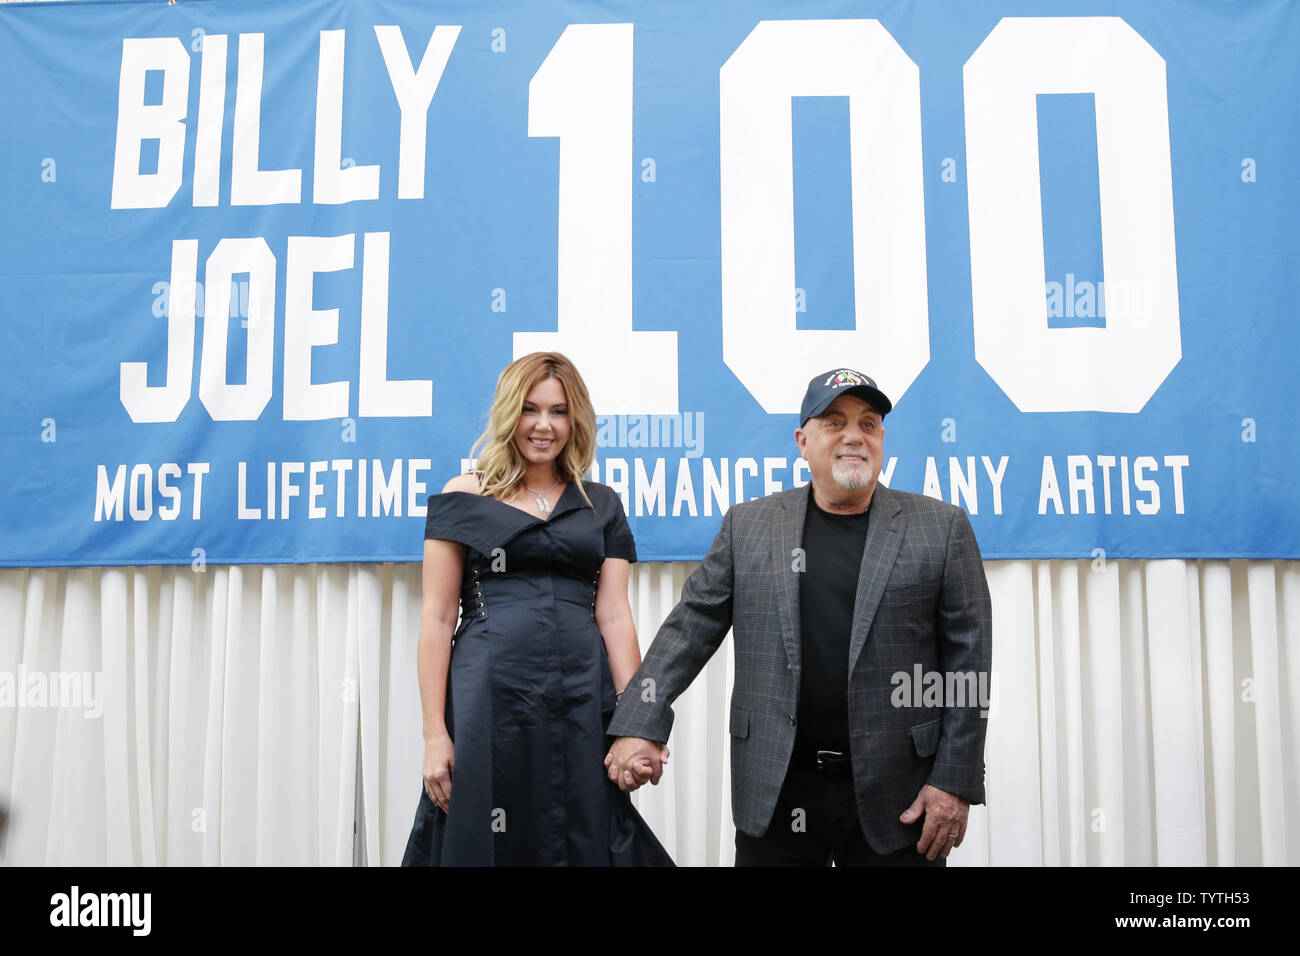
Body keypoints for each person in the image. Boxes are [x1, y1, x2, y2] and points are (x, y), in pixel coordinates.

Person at [605, 368, 992, 866]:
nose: (854, 435)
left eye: (869, 424)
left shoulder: (940, 528)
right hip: (775, 787)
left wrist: (954, 779)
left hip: (899, 795)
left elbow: (969, 666)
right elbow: (690, 627)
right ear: (802, 441)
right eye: (834, 422)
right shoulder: (749, 526)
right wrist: (641, 718)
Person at [402, 352, 673, 866]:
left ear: (576, 421)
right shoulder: (464, 495)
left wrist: (638, 717)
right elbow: (437, 619)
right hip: (489, 698)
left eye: (559, 411)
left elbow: (614, 615)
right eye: (530, 409)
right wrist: (435, 734)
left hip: (581, 700)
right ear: (509, 413)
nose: (544, 425)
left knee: (585, 829)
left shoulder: (601, 504)